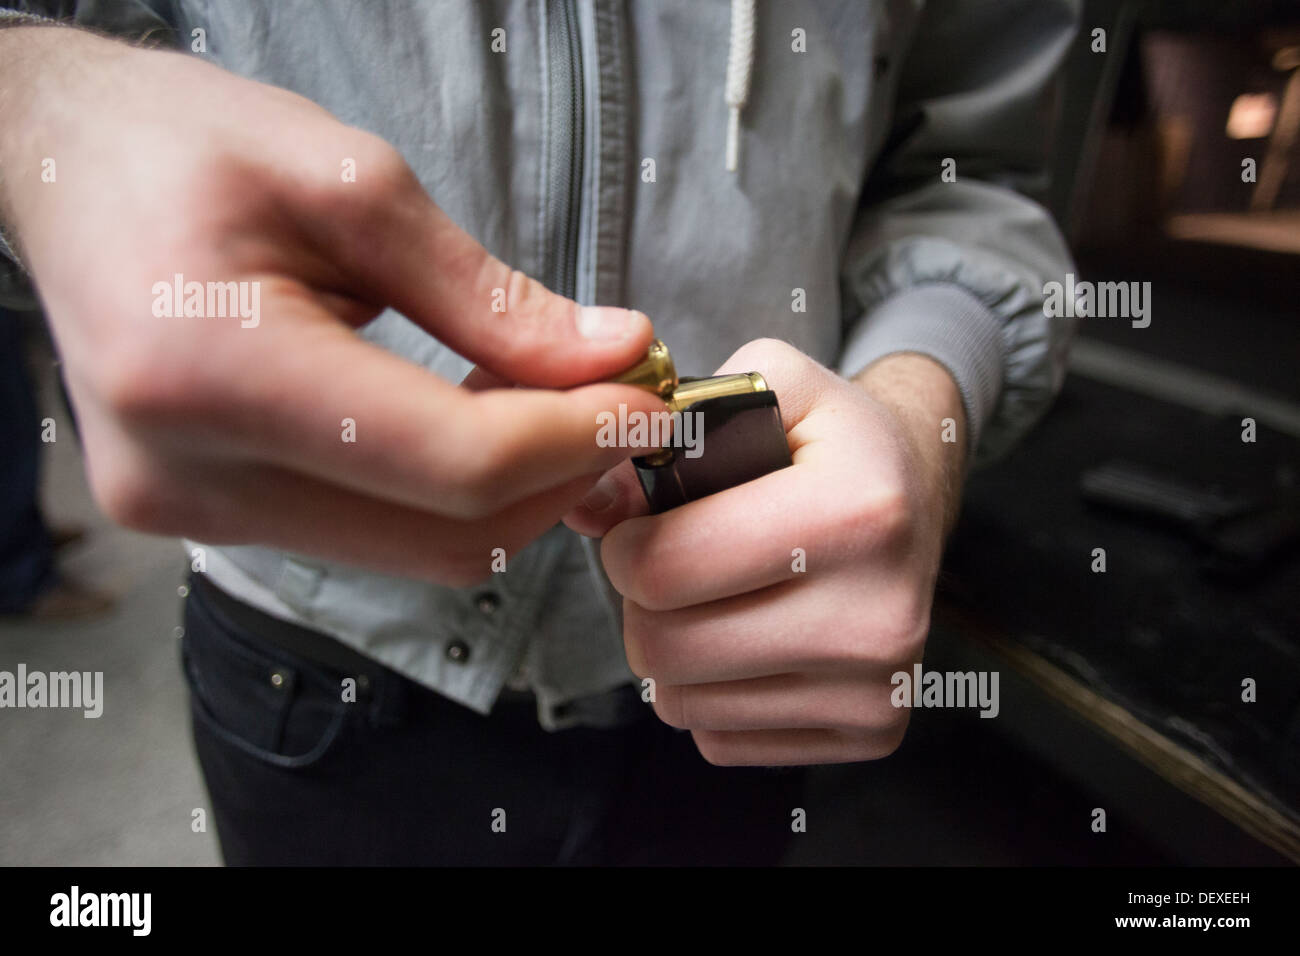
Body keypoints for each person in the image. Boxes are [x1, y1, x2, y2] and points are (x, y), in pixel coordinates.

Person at [0, 0, 1079, 864]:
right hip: (312, 667)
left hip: (744, 671)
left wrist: (919, 407)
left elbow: (972, 178)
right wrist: (37, 104)